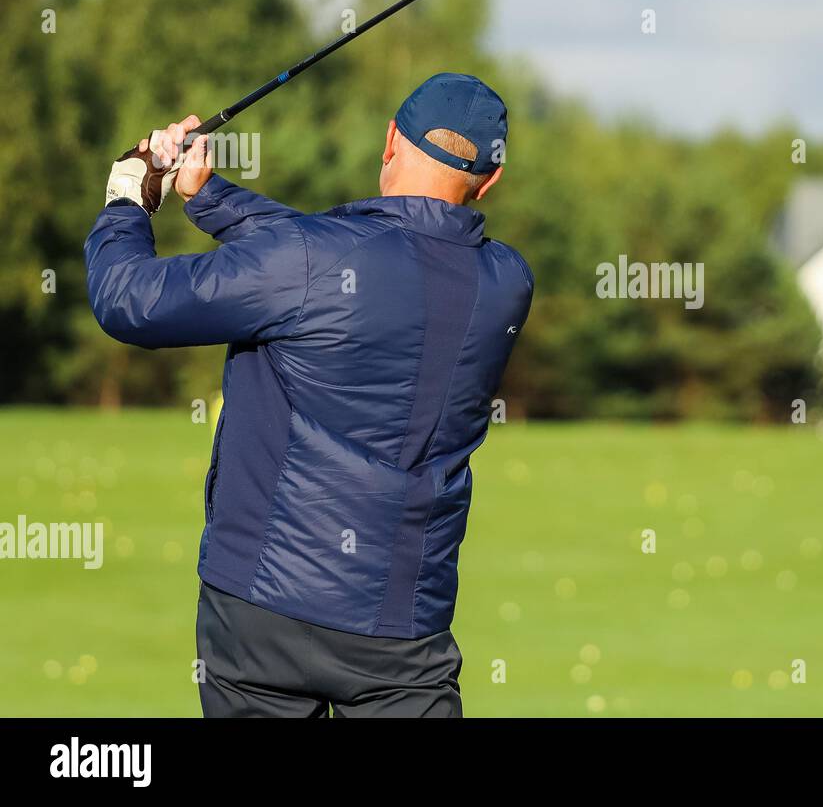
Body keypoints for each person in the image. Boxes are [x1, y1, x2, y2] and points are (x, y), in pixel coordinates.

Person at [85, 73, 533, 717]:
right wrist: (208, 196)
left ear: (389, 143)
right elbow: (355, 258)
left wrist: (128, 195)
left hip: (257, 619)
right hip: (403, 633)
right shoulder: (506, 282)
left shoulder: (309, 259)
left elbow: (128, 300)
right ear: (489, 181)